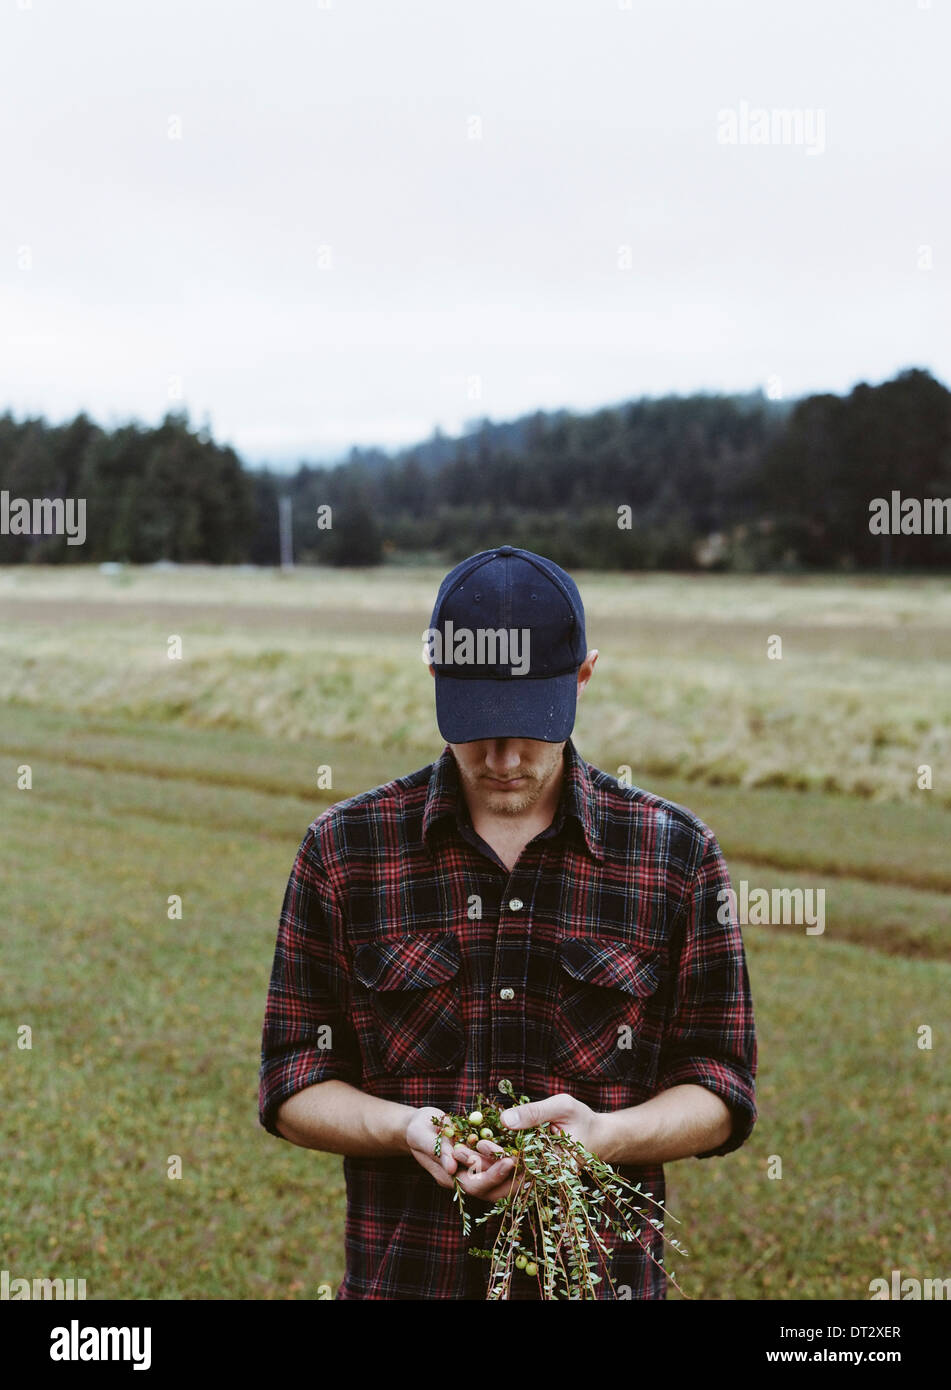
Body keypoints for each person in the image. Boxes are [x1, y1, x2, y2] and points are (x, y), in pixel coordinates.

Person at [257, 544, 757, 1300]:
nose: (502, 755)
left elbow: (720, 1085)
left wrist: (602, 1137)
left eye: (530, 725)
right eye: (476, 724)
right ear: (434, 676)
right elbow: (293, 1081)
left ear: (583, 677)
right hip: (407, 1282)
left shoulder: (673, 854)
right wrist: (405, 1128)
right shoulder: (345, 850)